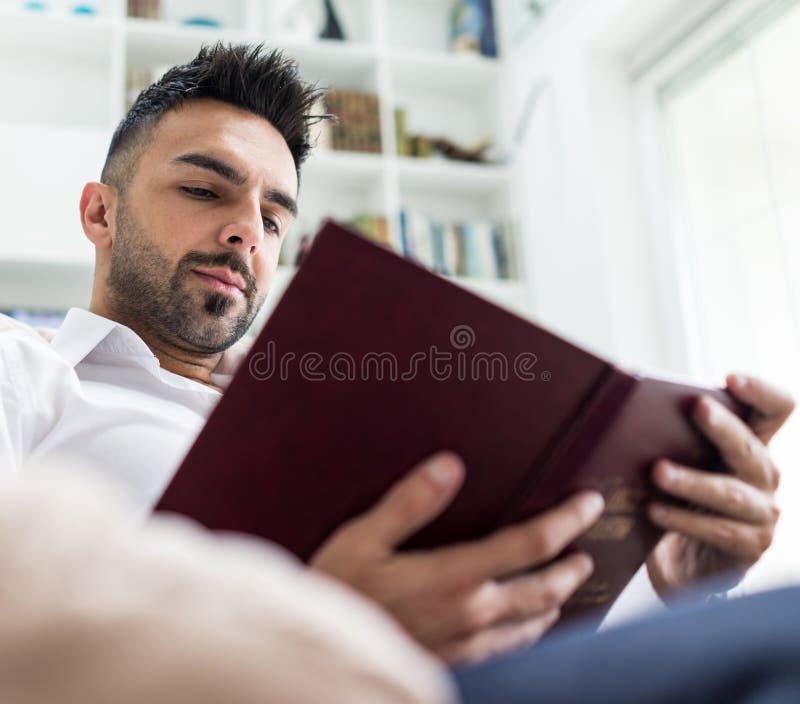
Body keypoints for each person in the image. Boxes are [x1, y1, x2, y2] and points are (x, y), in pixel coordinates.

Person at [0, 42, 793, 667]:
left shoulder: (340, 411)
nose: (249, 231)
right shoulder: (29, 372)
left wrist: (688, 590)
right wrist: (312, 632)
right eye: (205, 191)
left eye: (275, 220)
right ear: (99, 213)